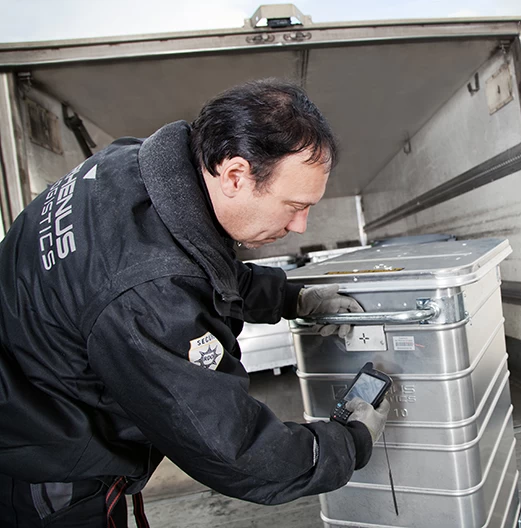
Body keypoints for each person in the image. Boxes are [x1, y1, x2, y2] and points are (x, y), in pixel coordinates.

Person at [0, 79, 390, 527]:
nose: (301, 226)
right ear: (235, 175)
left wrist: (292, 297)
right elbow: (234, 450)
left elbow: (195, 266)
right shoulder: (149, 293)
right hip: (46, 476)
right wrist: (349, 441)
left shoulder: (128, 165)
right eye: (294, 205)